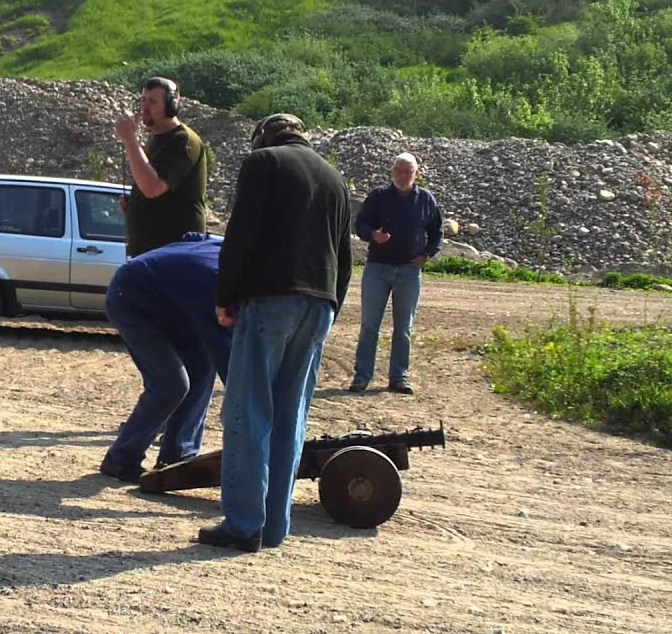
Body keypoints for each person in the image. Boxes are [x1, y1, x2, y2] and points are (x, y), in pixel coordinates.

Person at [198, 113, 352, 553]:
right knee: (290, 419)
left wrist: (225, 295)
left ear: (263, 136)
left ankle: (244, 524)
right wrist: (330, 308)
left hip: (269, 300)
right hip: (318, 305)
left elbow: (242, 235)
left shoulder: (263, 163)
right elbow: (343, 258)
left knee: (248, 415)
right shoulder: (335, 178)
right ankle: (275, 526)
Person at [98, 233, 232, 484]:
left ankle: (177, 459)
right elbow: (227, 353)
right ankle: (120, 458)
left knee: (202, 372)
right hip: (131, 299)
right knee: (170, 386)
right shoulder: (217, 280)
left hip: (175, 307)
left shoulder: (228, 248)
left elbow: (192, 236)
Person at [350, 153, 443, 395]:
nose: (402, 176)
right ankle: (362, 377)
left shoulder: (426, 200)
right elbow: (360, 225)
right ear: (392, 172)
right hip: (377, 269)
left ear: (416, 174)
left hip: (409, 271)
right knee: (370, 325)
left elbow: (437, 231)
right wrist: (373, 235)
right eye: (398, 171)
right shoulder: (378, 197)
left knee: (403, 327)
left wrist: (427, 255)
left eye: (407, 172)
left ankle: (398, 377)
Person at [114, 77, 213, 257]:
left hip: (173, 252)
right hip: (150, 252)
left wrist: (130, 140)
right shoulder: (156, 139)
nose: (144, 107)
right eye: (143, 100)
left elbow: (152, 188)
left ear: (171, 105)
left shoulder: (183, 141)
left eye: (152, 102)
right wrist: (134, 205)